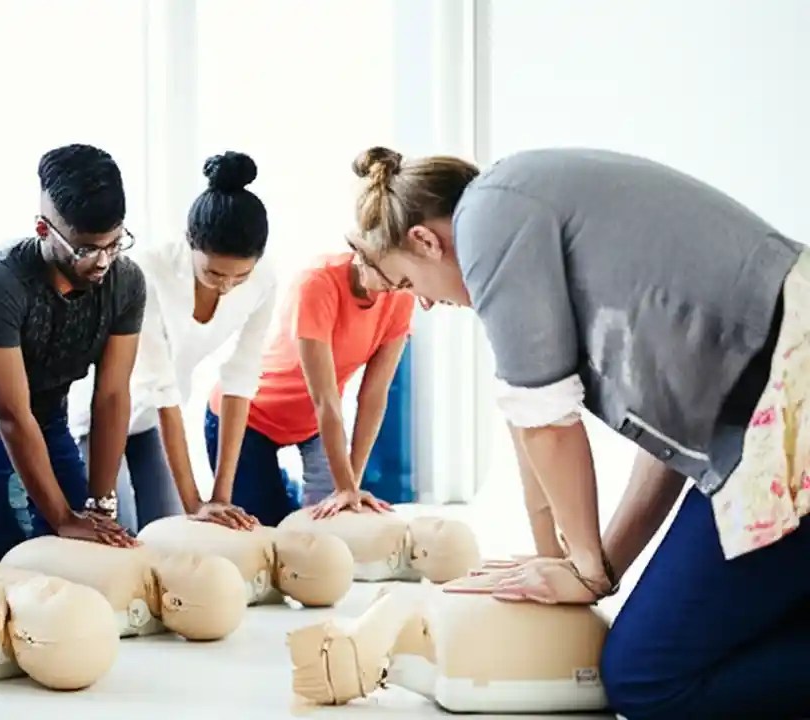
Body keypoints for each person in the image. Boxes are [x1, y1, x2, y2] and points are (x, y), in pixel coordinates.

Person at [354, 144, 810, 719]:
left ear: (425, 240)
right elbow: (669, 445)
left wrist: (584, 569)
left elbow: (545, 421)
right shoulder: (524, 202)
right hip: (780, 402)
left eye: (405, 282)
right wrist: (601, 569)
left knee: (646, 678)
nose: (422, 302)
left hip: (790, 405)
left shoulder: (488, 219)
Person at [0, 144, 145, 561]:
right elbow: (10, 415)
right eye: (86, 249)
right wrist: (60, 516)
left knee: (85, 549)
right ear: (43, 229)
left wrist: (98, 503)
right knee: (2, 546)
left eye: (114, 244)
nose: (102, 262)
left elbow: (111, 395)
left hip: (51, 417)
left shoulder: (126, 283)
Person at [202, 151, 414, 529]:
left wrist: (351, 486)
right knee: (272, 530)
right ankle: (278, 489)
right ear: (362, 254)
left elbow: (374, 395)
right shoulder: (318, 283)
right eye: (388, 275)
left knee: (332, 529)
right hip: (249, 418)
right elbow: (325, 398)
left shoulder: (401, 294)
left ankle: (291, 491)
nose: (396, 286)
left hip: (311, 427)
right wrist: (345, 484)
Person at [70, 151, 277, 533]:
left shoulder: (264, 282)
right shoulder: (146, 273)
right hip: (96, 418)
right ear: (189, 242)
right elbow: (160, 383)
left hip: (149, 421)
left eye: (240, 276)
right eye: (213, 272)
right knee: (121, 535)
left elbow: (239, 382)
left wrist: (219, 498)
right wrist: (194, 501)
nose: (227, 285)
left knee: (169, 535)